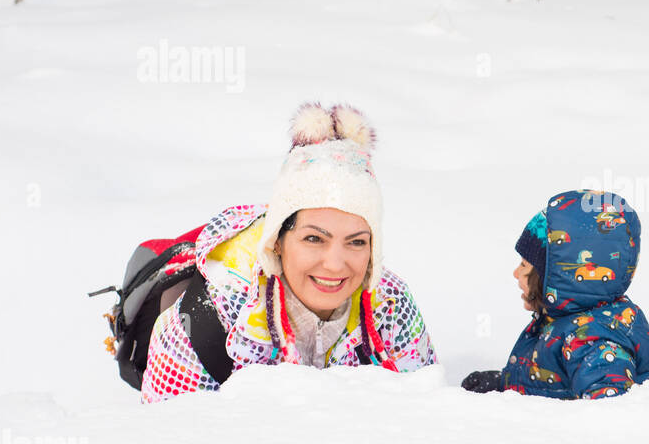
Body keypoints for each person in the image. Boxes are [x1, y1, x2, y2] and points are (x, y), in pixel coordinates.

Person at [141, 103, 437, 402]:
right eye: (314, 239)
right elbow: (169, 440)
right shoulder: (207, 320)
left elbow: (416, 419)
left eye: (357, 242)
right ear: (277, 241)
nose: (335, 265)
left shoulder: (390, 304)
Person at [461, 189, 649, 399]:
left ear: (556, 277)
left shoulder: (592, 340)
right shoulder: (568, 321)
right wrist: (503, 382)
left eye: (524, 265)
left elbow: (609, 414)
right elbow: (550, 380)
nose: (515, 273)